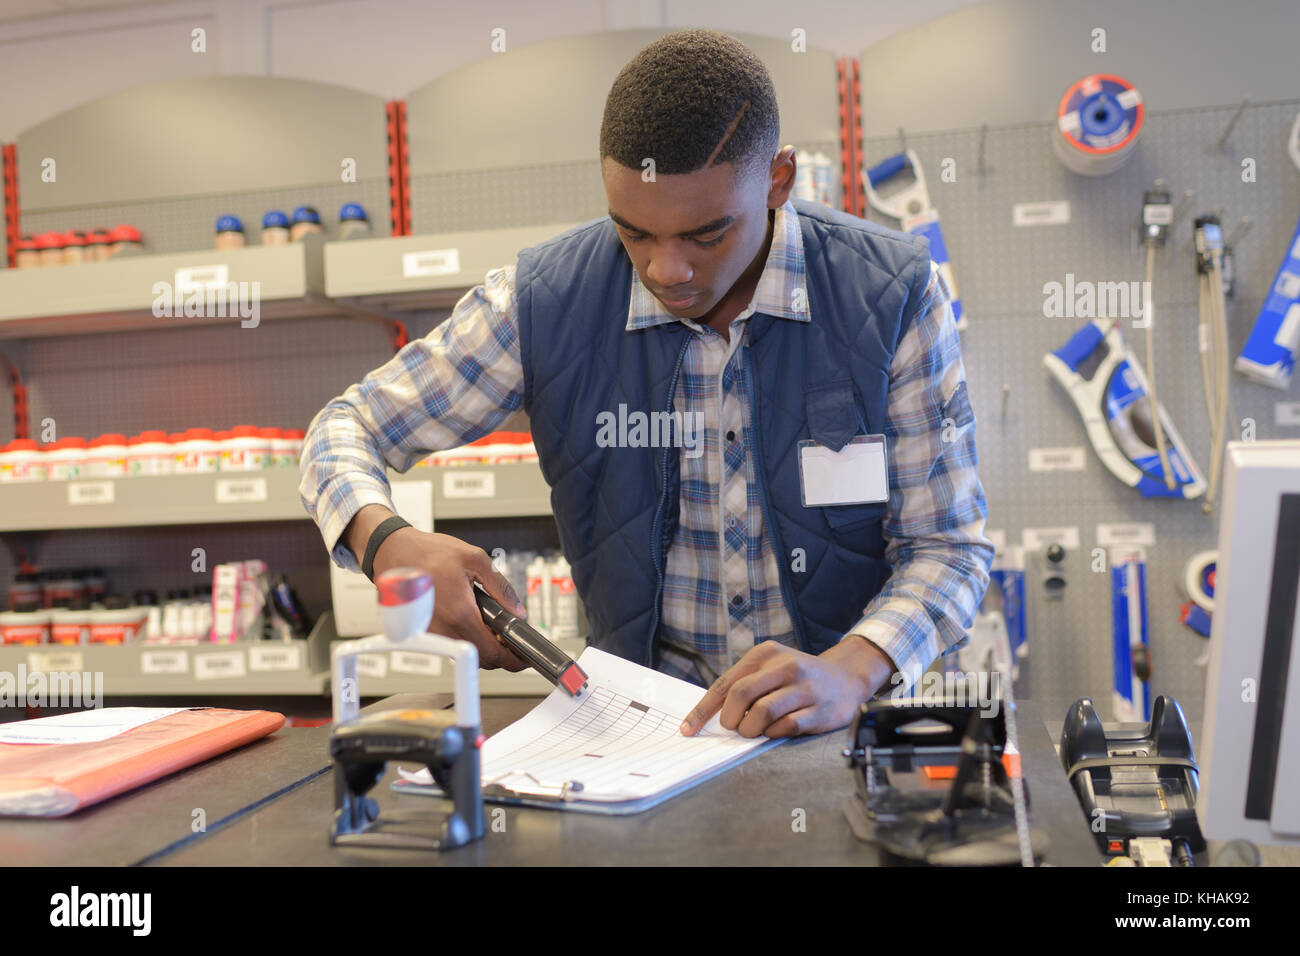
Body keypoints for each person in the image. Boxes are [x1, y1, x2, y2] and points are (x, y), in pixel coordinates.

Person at [300, 29, 993, 740]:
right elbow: (342, 429)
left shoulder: (892, 293)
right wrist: (386, 541)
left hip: (847, 740)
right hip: (644, 751)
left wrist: (852, 666)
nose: (666, 271)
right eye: (634, 233)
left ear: (778, 180)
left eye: (705, 235)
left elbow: (948, 549)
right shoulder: (543, 304)